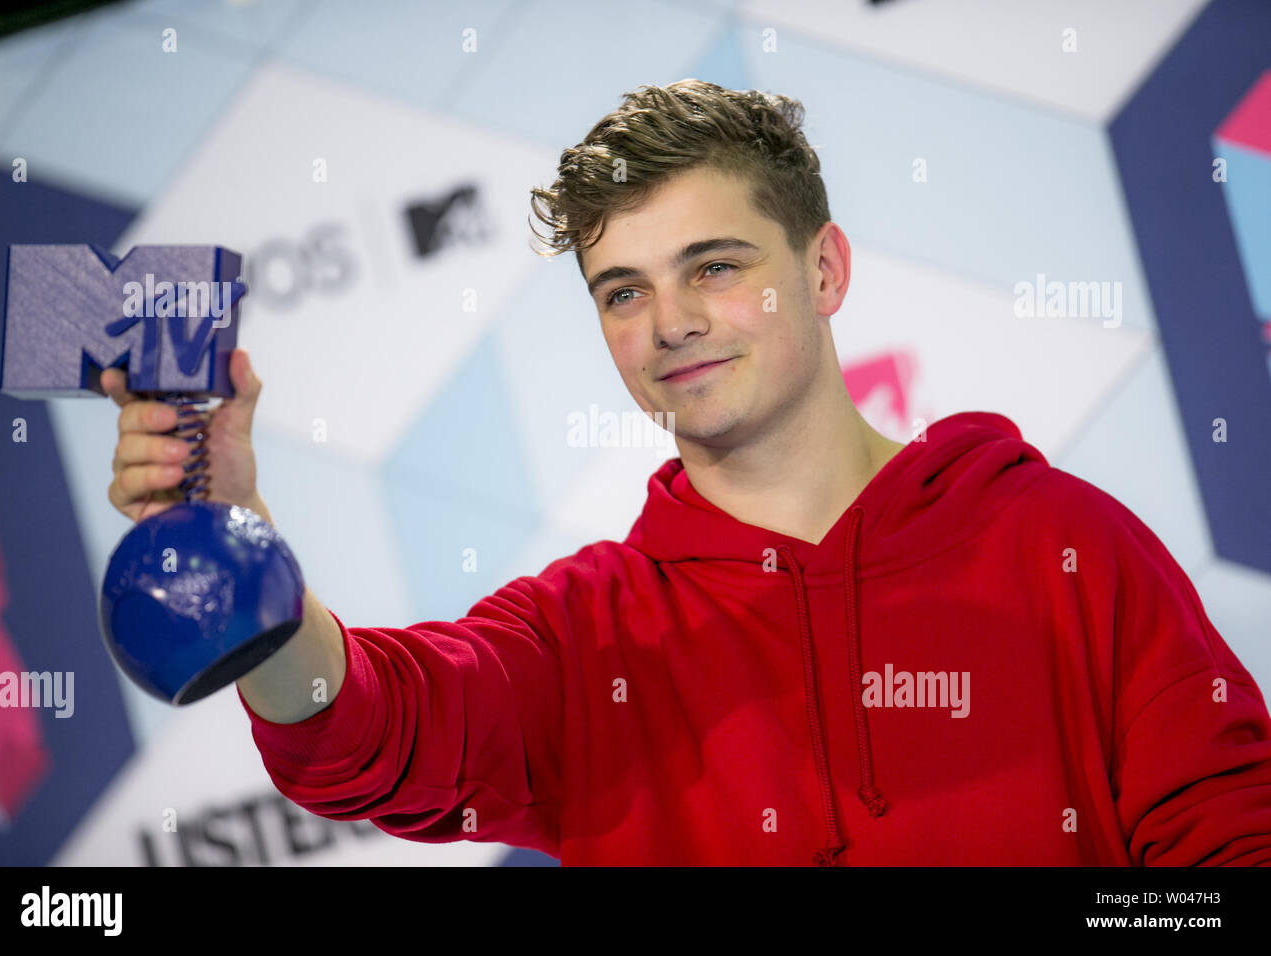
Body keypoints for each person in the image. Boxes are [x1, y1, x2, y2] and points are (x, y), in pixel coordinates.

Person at [101, 79, 1271, 866]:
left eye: (713, 266)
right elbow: (368, 724)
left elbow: (1227, 845)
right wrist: (235, 548)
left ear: (824, 269)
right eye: (624, 290)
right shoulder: (584, 632)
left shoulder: (1061, 539)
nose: (668, 323)